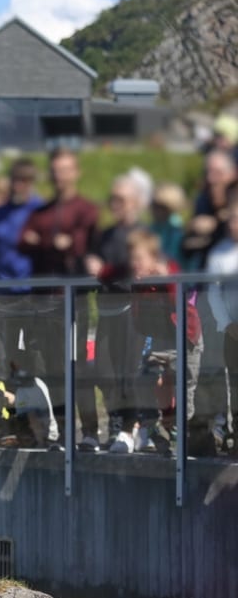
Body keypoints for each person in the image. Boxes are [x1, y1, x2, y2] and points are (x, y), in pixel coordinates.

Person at [17, 148, 98, 436]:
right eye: (54, 171)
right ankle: (64, 428)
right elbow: (24, 242)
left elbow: (79, 245)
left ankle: (88, 430)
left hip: (72, 302)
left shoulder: (86, 209)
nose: (59, 176)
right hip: (44, 302)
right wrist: (53, 242)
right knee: (52, 368)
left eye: (64, 170)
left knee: (77, 368)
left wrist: (45, 241)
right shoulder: (42, 212)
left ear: (75, 172)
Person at [106, 230, 203, 455]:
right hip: (159, 339)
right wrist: (117, 266)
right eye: (131, 259)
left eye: (139, 259)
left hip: (184, 338)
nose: (134, 264)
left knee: (185, 386)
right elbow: (106, 274)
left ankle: (182, 431)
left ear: (154, 258)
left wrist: (166, 278)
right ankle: (155, 424)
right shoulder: (137, 277)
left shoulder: (169, 271)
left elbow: (178, 300)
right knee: (145, 378)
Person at [83, 174, 148, 451]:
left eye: (121, 199)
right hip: (107, 311)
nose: (116, 205)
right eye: (113, 200)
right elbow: (93, 264)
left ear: (135, 202)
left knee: (129, 372)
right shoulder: (106, 235)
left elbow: (134, 271)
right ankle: (113, 422)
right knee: (104, 372)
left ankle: (131, 425)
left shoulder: (142, 234)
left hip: (133, 311)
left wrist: (103, 271)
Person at [205, 197, 238, 455]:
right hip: (232, 330)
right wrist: (226, 324)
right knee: (235, 386)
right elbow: (213, 292)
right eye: (231, 220)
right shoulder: (220, 253)